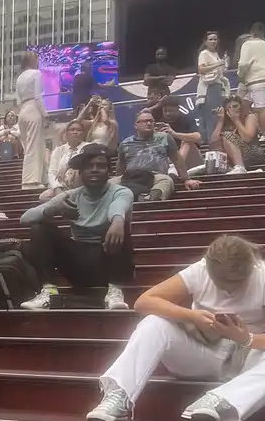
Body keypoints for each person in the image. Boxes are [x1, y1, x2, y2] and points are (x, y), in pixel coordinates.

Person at [87, 235, 265, 421]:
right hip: (203, 353)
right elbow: (144, 302)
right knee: (154, 322)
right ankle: (119, 395)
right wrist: (192, 316)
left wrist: (246, 339)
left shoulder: (262, 276)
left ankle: (221, 400)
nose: (231, 291)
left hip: (247, 360)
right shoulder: (200, 270)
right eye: (223, 283)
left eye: (239, 282)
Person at [19, 143, 134, 311]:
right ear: (81, 172)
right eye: (89, 167)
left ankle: (115, 291)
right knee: (39, 228)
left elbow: (119, 206)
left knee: (121, 225)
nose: (95, 170)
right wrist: (55, 208)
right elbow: (25, 218)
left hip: (108, 261)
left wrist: (117, 222)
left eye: (100, 166)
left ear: (108, 171)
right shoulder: (71, 196)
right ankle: (48, 292)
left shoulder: (121, 192)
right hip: (78, 264)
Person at [115, 109, 182, 202]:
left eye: (151, 121)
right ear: (136, 125)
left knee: (167, 181)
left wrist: (186, 179)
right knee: (109, 184)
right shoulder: (125, 143)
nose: (149, 123)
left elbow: (177, 159)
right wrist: (119, 177)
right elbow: (120, 165)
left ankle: (150, 199)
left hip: (155, 176)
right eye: (145, 121)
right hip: (130, 176)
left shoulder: (165, 138)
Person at [16, 50, 47, 190]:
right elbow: (38, 96)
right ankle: (31, 181)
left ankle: (42, 178)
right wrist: (44, 113)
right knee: (34, 145)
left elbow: (17, 100)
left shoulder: (19, 77)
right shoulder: (36, 73)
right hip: (33, 108)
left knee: (30, 146)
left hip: (22, 110)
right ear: (32, 61)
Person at [41, 119, 86, 200]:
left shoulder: (88, 147)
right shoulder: (58, 150)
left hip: (81, 185)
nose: (75, 132)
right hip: (62, 186)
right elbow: (52, 172)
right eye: (72, 130)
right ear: (67, 133)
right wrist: (57, 188)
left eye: (78, 130)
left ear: (83, 133)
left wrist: (68, 165)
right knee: (44, 197)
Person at [196, 32, 228, 146]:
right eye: (210, 39)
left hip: (218, 85)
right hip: (209, 87)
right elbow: (201, 70)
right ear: (205, 41)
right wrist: (218, 64)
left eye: (215, 39)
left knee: (216, 114)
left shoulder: (216, 54)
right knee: (212, 115)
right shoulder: (204, 53)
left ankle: (213, 140)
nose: (213, 41)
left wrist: (222, 65)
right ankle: (211, 142)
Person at [159, 99, 206, 175]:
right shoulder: (161, 123)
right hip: (168, 161)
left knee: (187, 141)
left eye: (171, 110)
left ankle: (176, 168)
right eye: (165, 111)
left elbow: (198, 138)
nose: (167, 113)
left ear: (178, 110)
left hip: (192, 160)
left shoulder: (187, 120)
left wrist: (174, 134)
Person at [220, 95, 265, 171]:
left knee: (227, 135)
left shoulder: (250, 117)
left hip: (253, 151)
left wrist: (236, 120)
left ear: (241, 106)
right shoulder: (227, 123)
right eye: (229, 108)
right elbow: (213, 141)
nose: (233, 109)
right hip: (237, 156)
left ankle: (240, 167)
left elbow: (247, 138)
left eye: (235, 106)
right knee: (223, 136)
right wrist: (220, 121)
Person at [237, 22, 265, 110]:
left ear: (252, 33)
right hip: (252, 81)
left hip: (255, 80)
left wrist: (240, 75)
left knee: (261, 109)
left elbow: (243, 64)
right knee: (243, 103)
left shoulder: (248, 45)